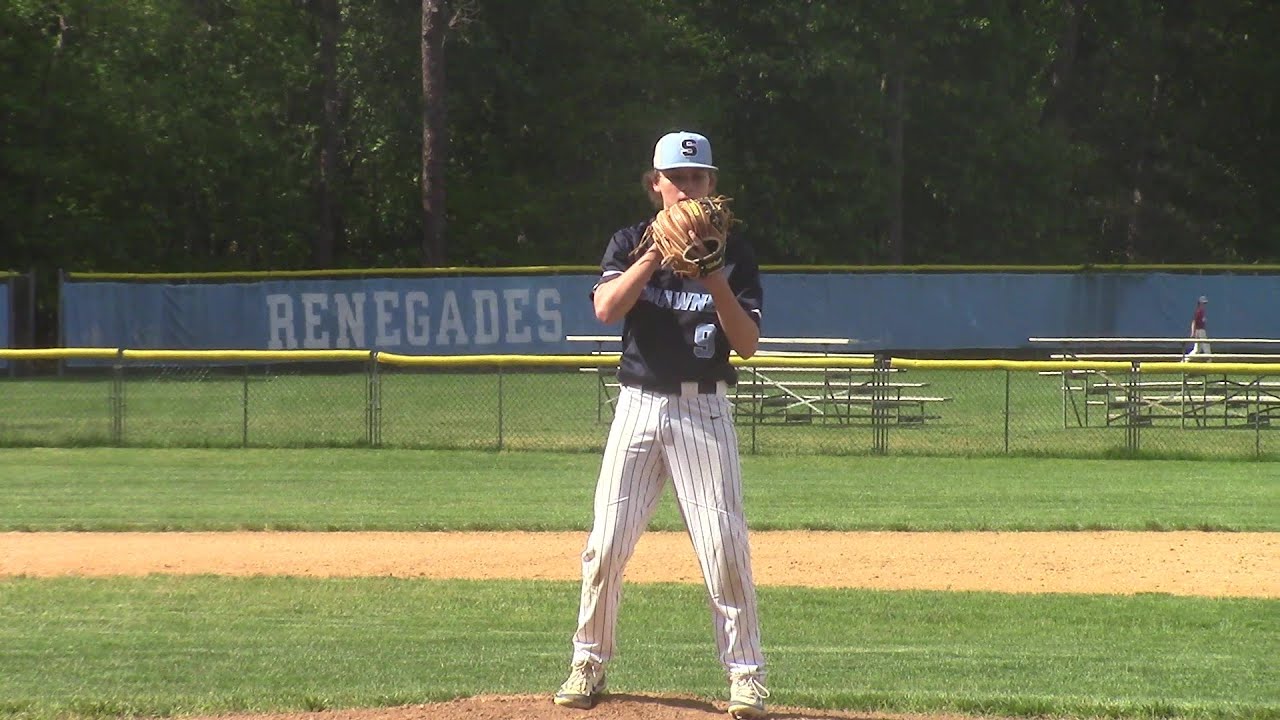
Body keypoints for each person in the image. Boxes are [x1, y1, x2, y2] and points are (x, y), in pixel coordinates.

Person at [553, 130, 769, 719]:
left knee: (724, 547)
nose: (688, 186)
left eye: (698, 177)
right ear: (657, 186)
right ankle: (588, 663)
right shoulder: (629, 242)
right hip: (640, 405)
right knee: (605, 545)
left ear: (712, 186)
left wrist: (715, 275)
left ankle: (746, 675)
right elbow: (604, 309)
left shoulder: (734, 252)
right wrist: (654, 254)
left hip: (704, 409)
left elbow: (747, 344)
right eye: (677, 178)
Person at [1184, 295, 1211, 360]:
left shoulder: (1201, 311)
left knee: (1197, 350)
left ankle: (1185, 359)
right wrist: (1193, 332)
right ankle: (1209, 360)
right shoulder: (1199, 311)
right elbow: (1194, 322)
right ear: (1200, 303)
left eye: (1204, 303)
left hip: (1199, 331)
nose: (1204, 305)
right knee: (1206, 346)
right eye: (1203, 303)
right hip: (1200, 331)